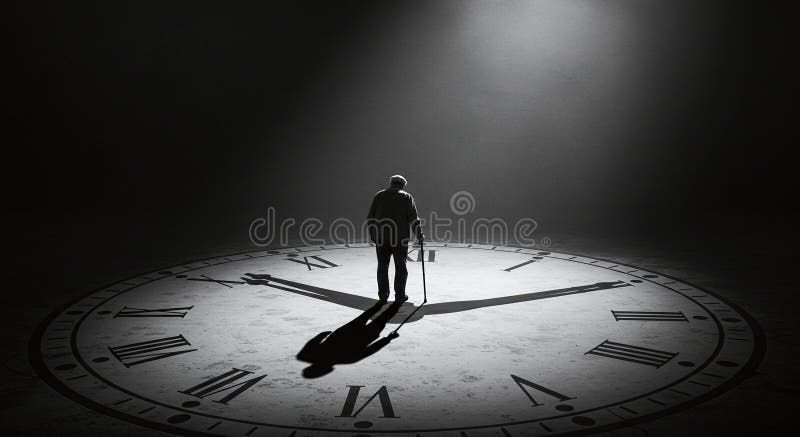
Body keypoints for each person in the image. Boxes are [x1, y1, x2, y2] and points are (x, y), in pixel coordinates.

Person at [367, 174, 424, 305]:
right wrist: (419, 235)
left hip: (381, 238)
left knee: (382, 267)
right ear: (402, 185)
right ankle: (400, 295)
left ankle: (383, 296)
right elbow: (413, 219)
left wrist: (373, 234)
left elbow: (370, 217)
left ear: (391, 183)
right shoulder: (406, 197)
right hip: (400, 239)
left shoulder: (379, 196)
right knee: (401, 267)